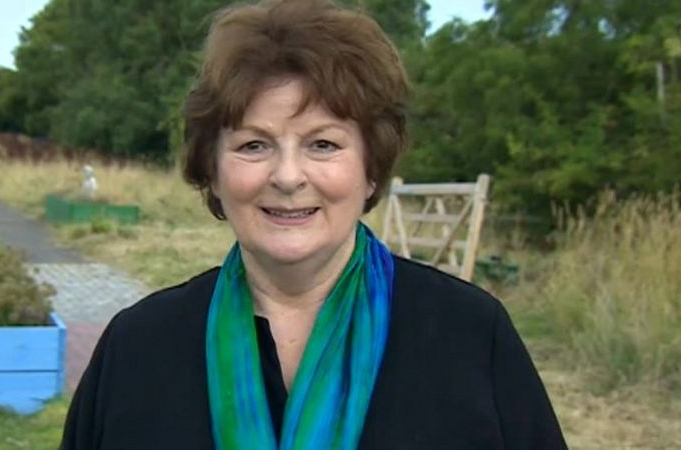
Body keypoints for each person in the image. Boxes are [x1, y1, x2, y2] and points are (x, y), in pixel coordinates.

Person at [59, 0, 568, 448]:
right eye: (253, 145)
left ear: (371, 169)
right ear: (212, 172)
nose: (287, 176)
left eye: (323, 143)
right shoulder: (138, 348)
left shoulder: (472, 337)